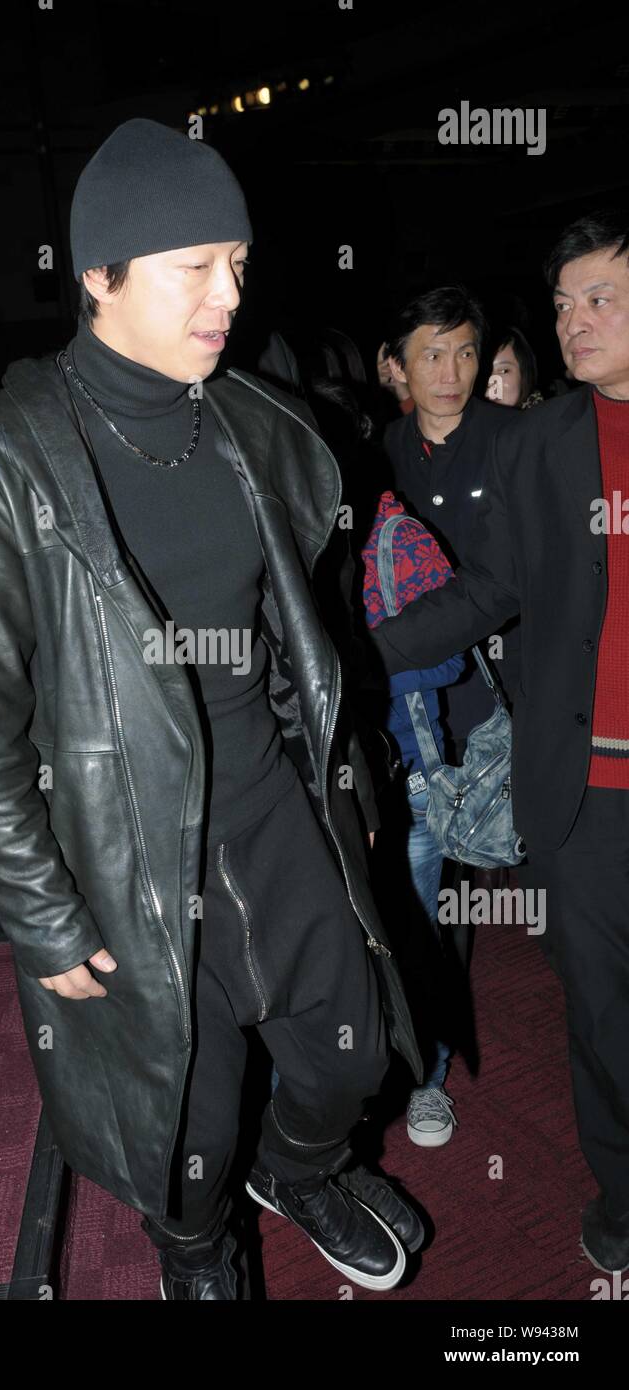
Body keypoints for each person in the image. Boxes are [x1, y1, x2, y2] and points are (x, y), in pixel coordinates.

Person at [0, 117, 425, 1301]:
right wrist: (42, 916)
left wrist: (333, 781)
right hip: (124, 845)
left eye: (238, 264)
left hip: (269, 805)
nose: (226, 294)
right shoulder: (7, 463)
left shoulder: (255, 421)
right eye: (191, 266)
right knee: (181, 1114)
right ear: (97, 275)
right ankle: (193, 1247)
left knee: (350, 1049)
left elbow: (297, 635)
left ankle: (296, 1171)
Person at [370, 210, 629, 1276]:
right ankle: (621, 1203)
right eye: (561, 302)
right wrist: (351, 652)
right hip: (585, 794)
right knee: (602, 1017)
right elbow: (486, 589)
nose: (572, 320)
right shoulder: (544, 443)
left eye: (599, 298)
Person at [362, 490, 465, 1146]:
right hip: (306, 788)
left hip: (407, 782)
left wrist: (350, 673)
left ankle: (427, 1079)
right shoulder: (265, 537)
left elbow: (451, 655)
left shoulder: (400, 540)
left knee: (414, 939)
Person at [382, 286, 519, 735]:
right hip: (418, 702)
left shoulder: (518, 440)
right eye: (433, 357)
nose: (451, 375)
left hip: (514, 688)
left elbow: (503, 584)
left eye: (465, 355)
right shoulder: (378, 454)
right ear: (398, 365)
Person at [485, 327, 544, 409]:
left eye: (504, 371)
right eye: (484, 372)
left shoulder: (545, 419)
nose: (491, 382)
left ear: (524, 374)